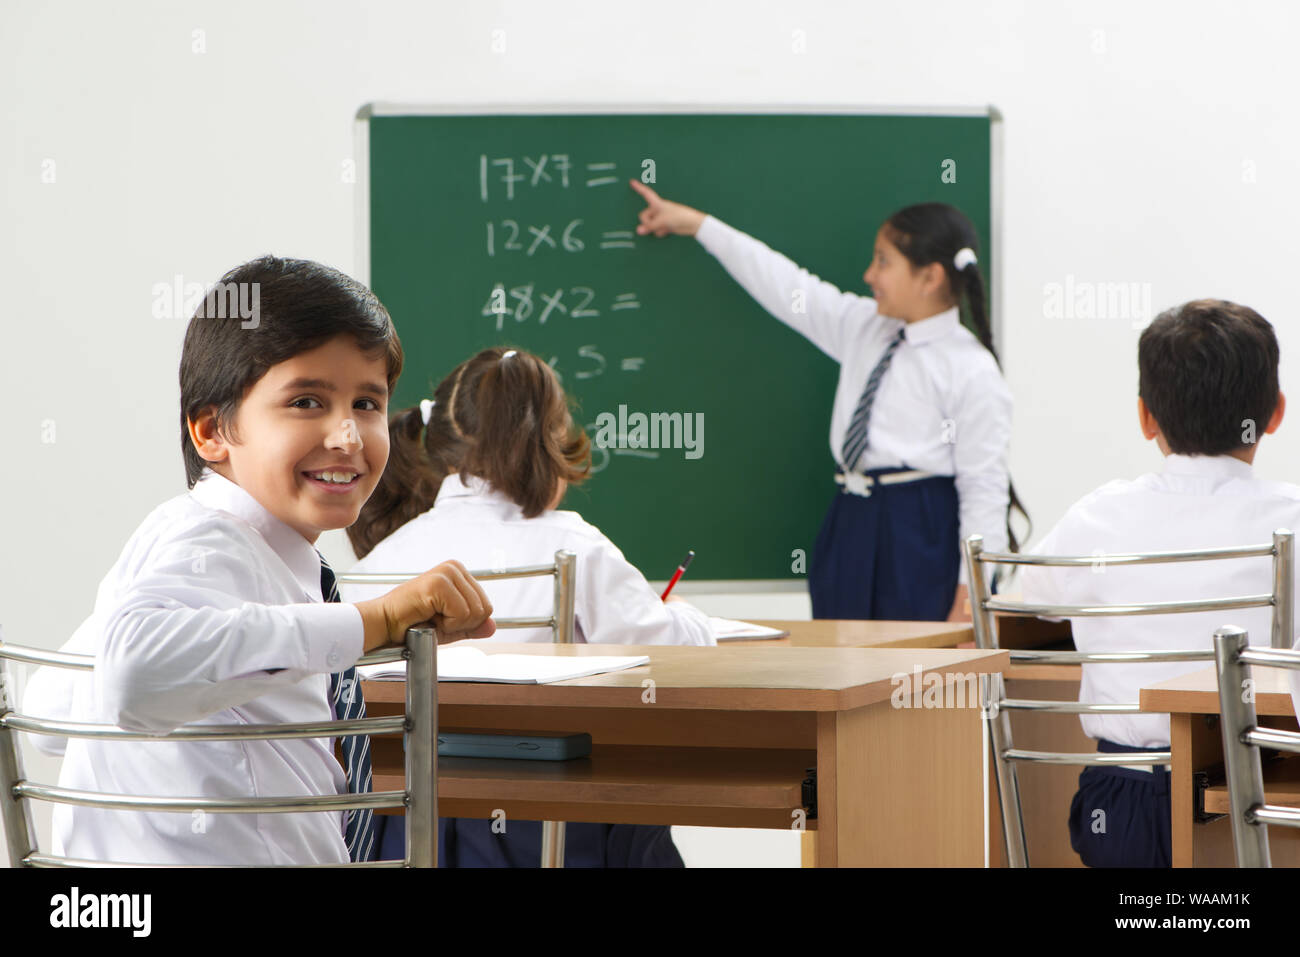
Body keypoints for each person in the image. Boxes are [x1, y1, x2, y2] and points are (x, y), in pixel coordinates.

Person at [21, 256, 494, 865]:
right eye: (305, 402)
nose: (348, 436)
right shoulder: (208, 543)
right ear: (212, 431)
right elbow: (130, 675)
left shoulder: (201, 542)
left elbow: (49, 713)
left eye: (368, 404)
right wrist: (372, 622)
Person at [343, 345, 714, 866]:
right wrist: (693, 620)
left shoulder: (379, 561)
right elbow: (679, 654)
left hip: (398, 828)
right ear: (549, 445)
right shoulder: (571, 544)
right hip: (547, 827)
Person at [630, 181, 1025, 622]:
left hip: (920, 533)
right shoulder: (863, 328)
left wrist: (970, 599)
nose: (869, 276)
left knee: (910, 676)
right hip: (849, 523)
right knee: (841, 671)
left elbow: (984, 490)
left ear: (930, 277)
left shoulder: (970, 369)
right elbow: (785, 284)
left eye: (883, 261)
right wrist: (699, 225)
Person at [1020, 299, 1300, 868]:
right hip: (1265, 795)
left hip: (1124, 801)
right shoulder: (1290, 520)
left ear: (1146, 417)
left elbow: (1025, 600)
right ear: (1274, 412)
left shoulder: (1100, 517)